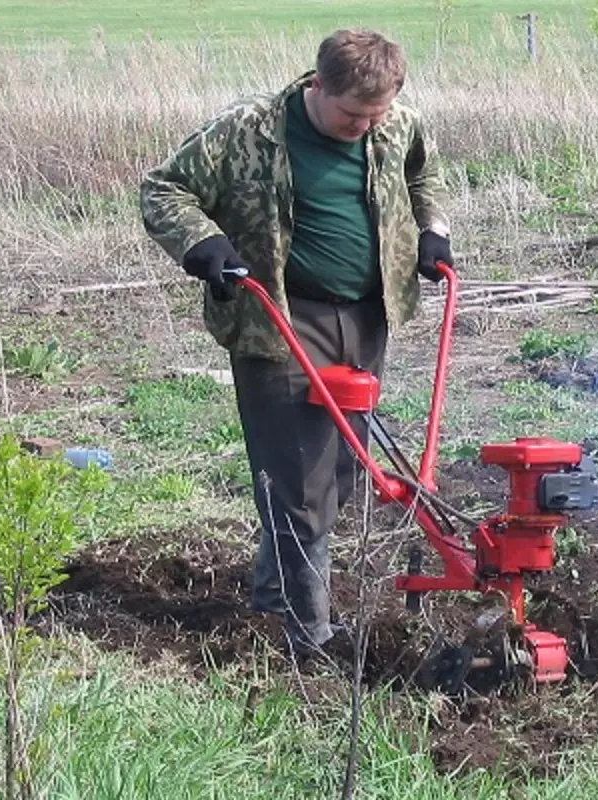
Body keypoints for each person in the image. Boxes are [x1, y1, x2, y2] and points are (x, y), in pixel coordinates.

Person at [140, 29, 452, 655]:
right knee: (300, 482)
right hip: (279, 316)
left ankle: (272, 595)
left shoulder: (398, 125)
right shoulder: (250, 128)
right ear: (318, 86)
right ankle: (311, 635)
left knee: (339, 470)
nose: (365, 126)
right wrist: (204, 244)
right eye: (352, 114)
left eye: (377, 113)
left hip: (367, 315)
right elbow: (163, 190)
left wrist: (433, 231)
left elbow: (426, 178)